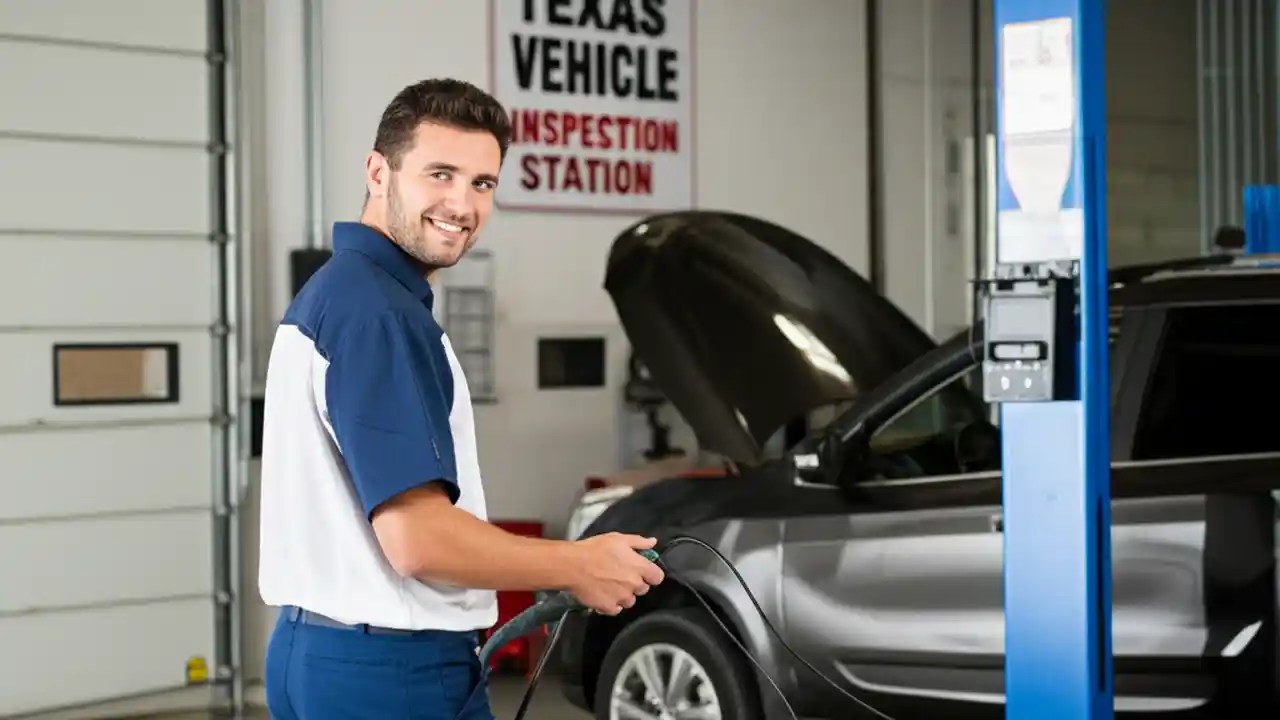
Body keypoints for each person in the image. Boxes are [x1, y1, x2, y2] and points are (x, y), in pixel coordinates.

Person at [257, 78, 665, 720]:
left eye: (483, 183)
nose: (462, 203)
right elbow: (419, 541)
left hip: (317, 651)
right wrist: (574, 564)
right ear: (378, 172)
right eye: (440, 173)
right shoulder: (381, 318)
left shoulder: (335, 295)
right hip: (391, 674)